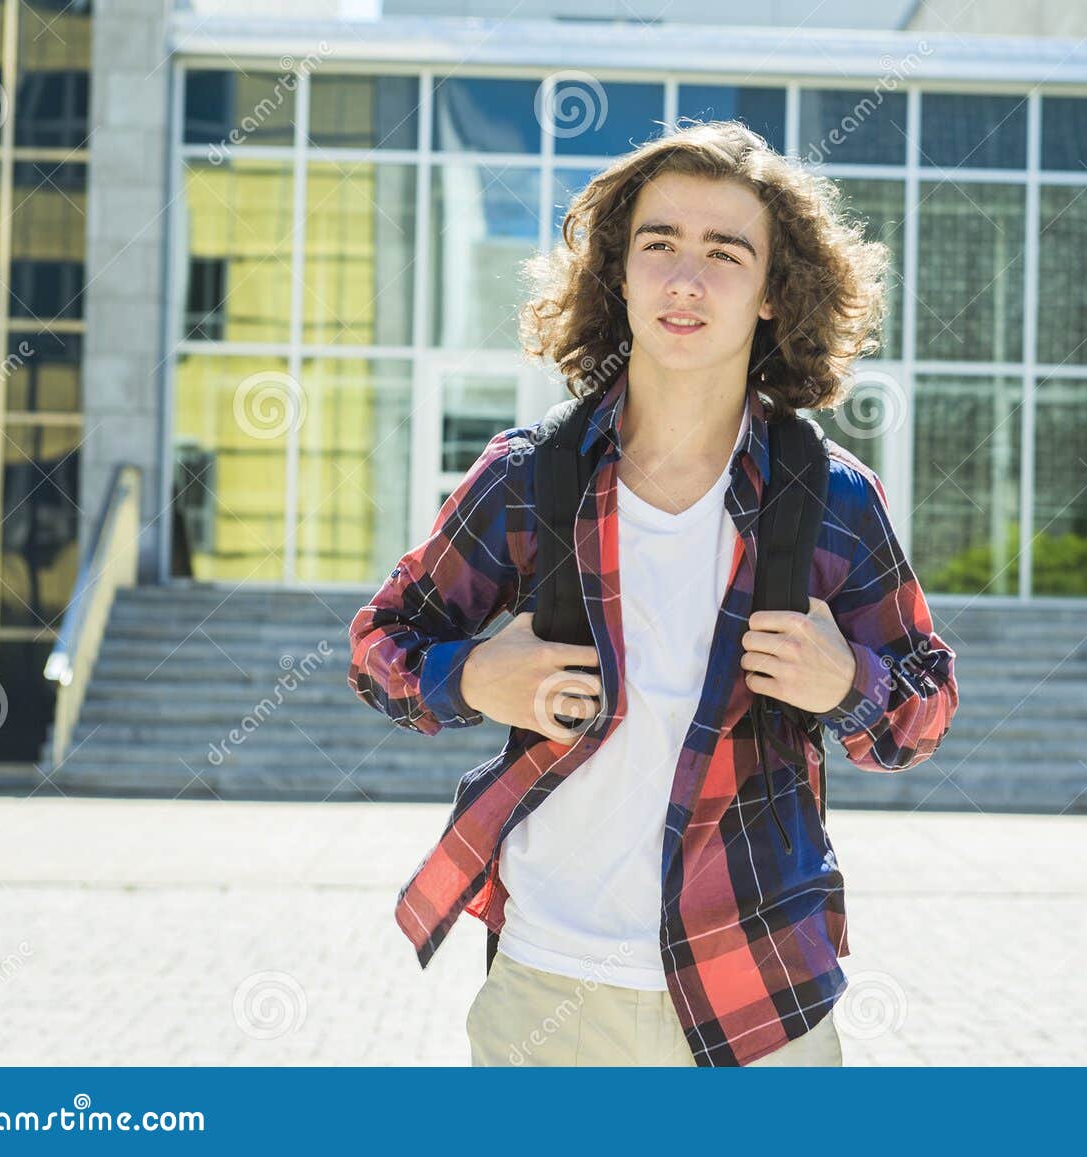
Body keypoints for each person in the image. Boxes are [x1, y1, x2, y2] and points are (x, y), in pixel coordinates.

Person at [346, 119, 959, 1067]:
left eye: (725, 253)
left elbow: (924, 711)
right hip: (547, 994)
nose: (686, 279)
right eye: (659, 244)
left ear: (771, 294)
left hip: (761, 1000)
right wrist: (472, 679)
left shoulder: (829, 497)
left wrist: (849, 682)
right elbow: (382, 644)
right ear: (618, 274)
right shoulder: (527, 480)